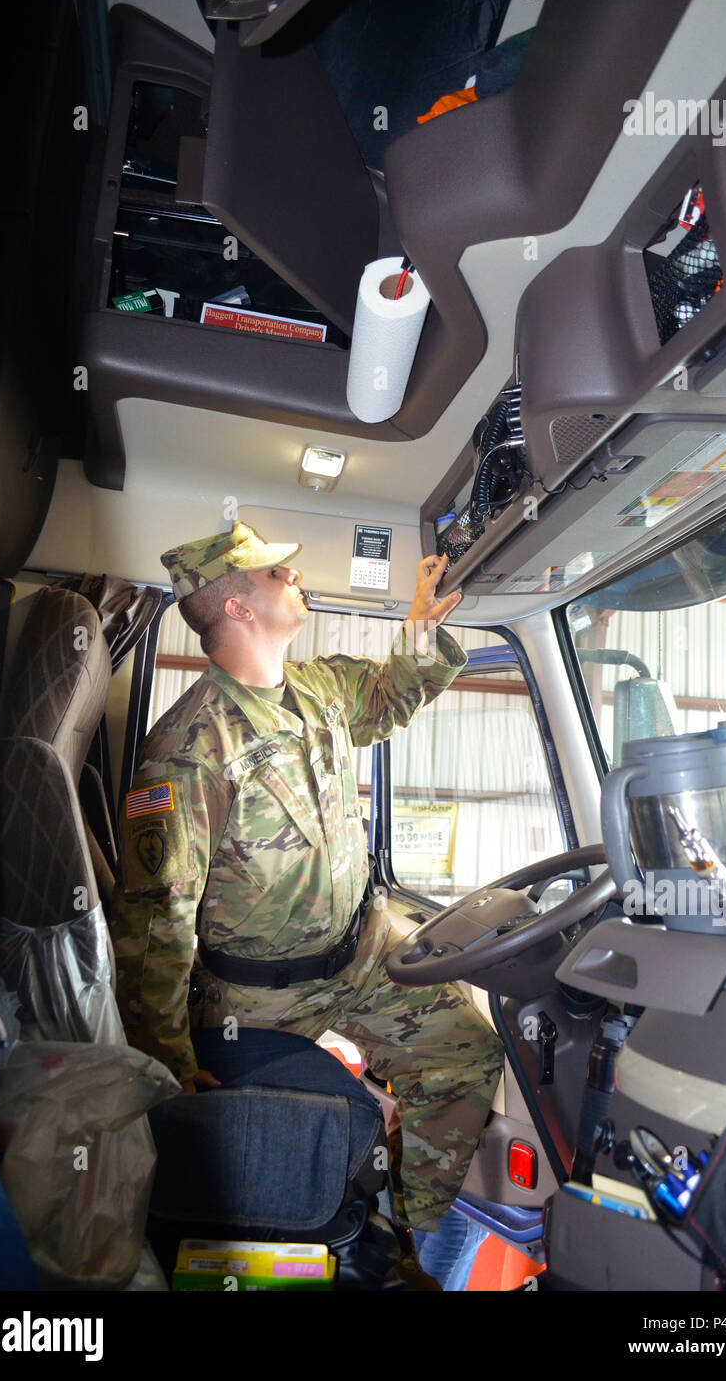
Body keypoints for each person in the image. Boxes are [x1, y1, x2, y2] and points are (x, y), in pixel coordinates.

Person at [109, 520, 503, 1279]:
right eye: (275, 574)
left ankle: (414, 1244)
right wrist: (166, 1058)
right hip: (257, 996)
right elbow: (155, 922)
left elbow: (390, 697)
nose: (294, 576)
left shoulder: (318, 688)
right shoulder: (187, 750)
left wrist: (420, 631)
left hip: (362, 953)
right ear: (237, 609)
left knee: (467, 1053)